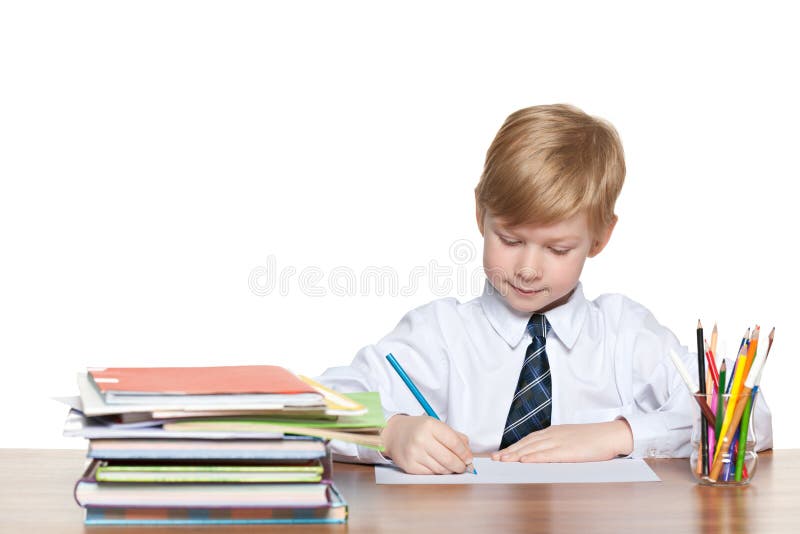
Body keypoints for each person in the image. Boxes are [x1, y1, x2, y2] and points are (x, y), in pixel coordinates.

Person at [316, 104, 772, 475]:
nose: (528, 269)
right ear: (481, 215)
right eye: (510, 240)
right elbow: (318, 406)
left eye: (557, 249)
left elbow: (750, 418)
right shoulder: (441, 333)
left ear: (600, 238)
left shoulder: (625, 335)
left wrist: (618, 435)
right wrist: (389, 432)